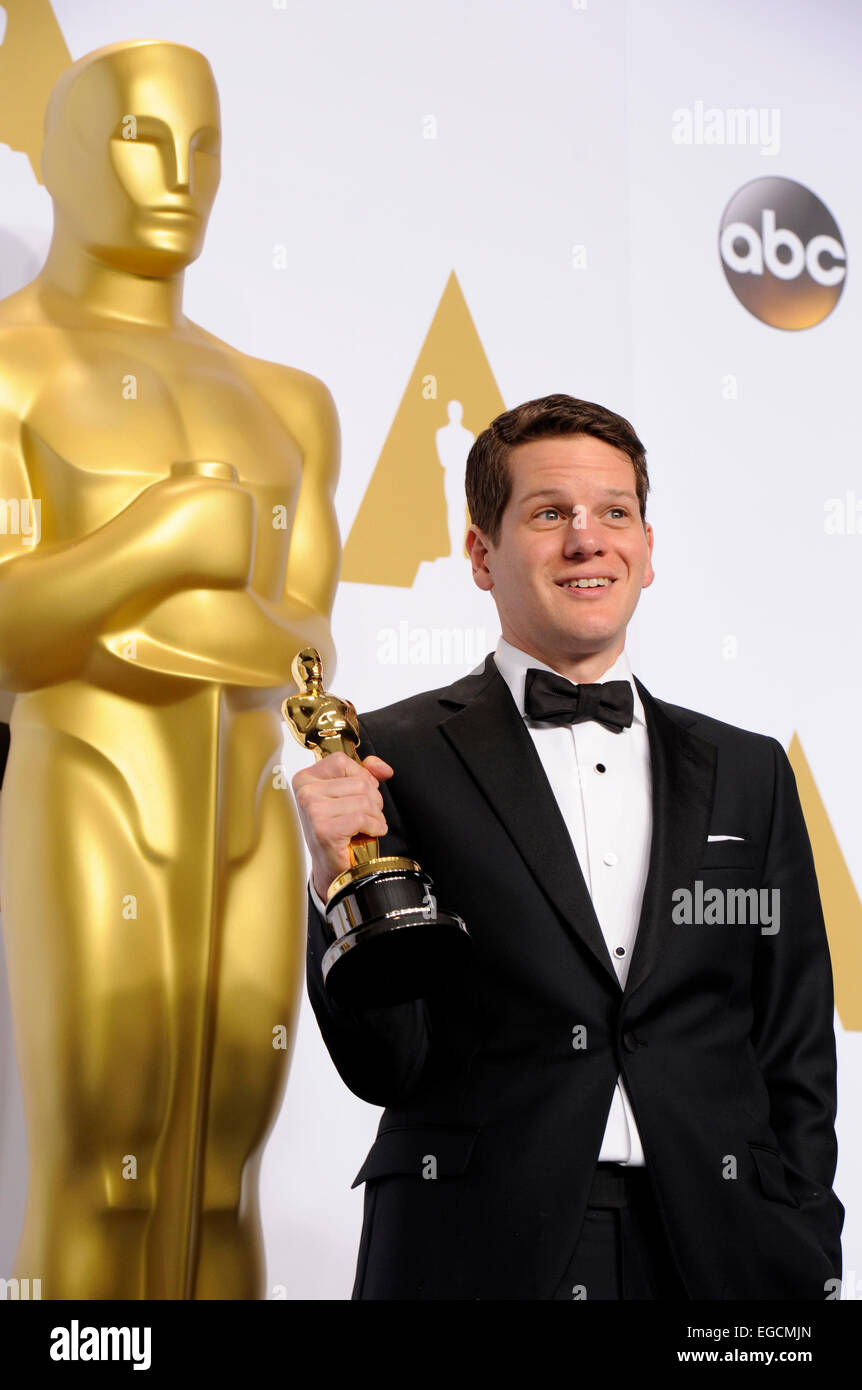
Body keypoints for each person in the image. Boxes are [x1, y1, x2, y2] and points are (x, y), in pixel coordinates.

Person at [291, 393, 843, 1300]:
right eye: (549, 514)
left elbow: (793, 1047)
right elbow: (385, 1065)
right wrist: (338, 883)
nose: (588, 540)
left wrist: (809, 1247)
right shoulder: (391, 760)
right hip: (477, 1248)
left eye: (614, 513)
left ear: (647, 550)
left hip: (724, 1249)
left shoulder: (748, 771)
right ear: (480, 553)